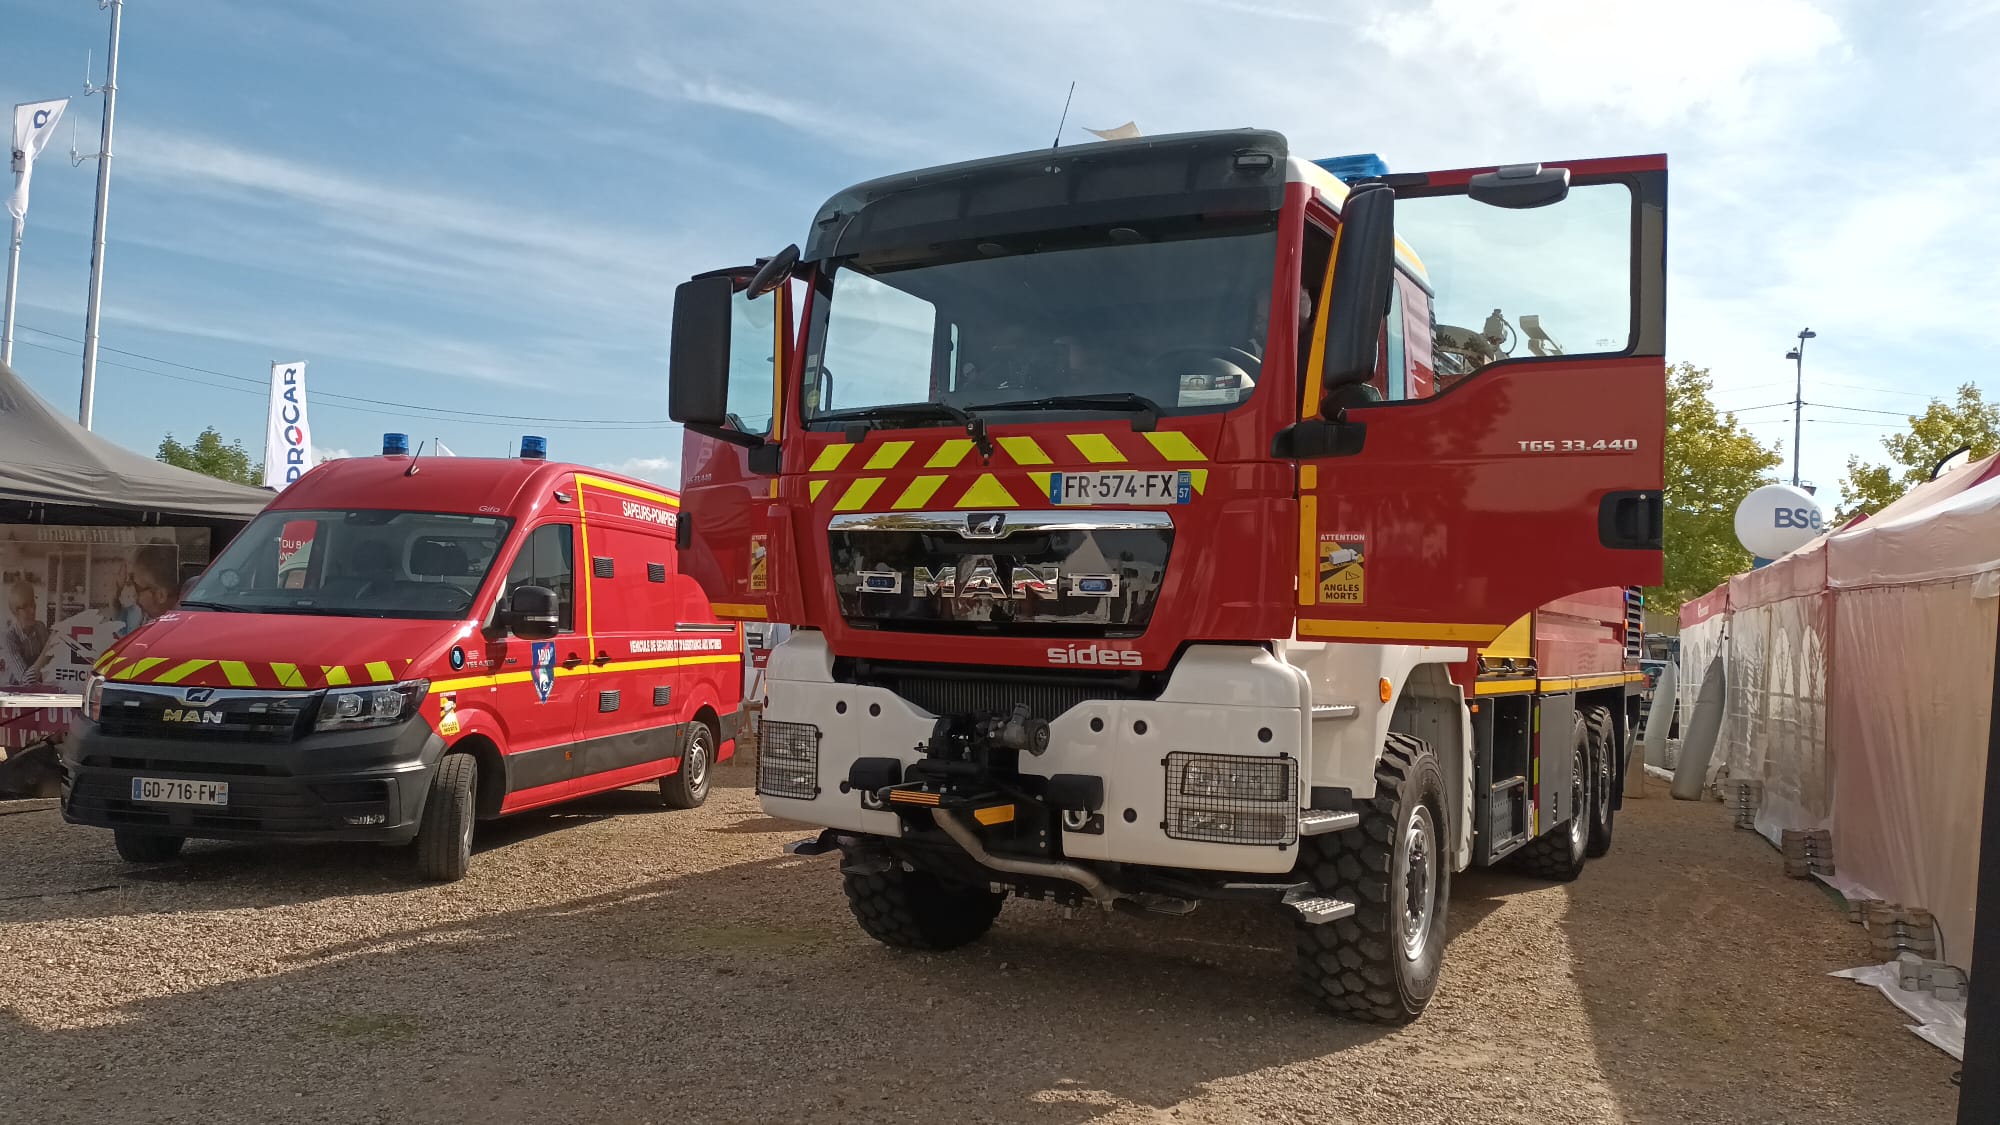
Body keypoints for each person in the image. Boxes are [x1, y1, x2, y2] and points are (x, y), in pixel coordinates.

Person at [1, 581, 51, 688]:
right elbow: (25, 681)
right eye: (25, 607)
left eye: (33, 603)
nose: (32, 611)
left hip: (39, 689)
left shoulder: (40, 627)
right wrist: (49, 647)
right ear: (15, 611)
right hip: (16, 693)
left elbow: (50, 664)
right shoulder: (9, 638)